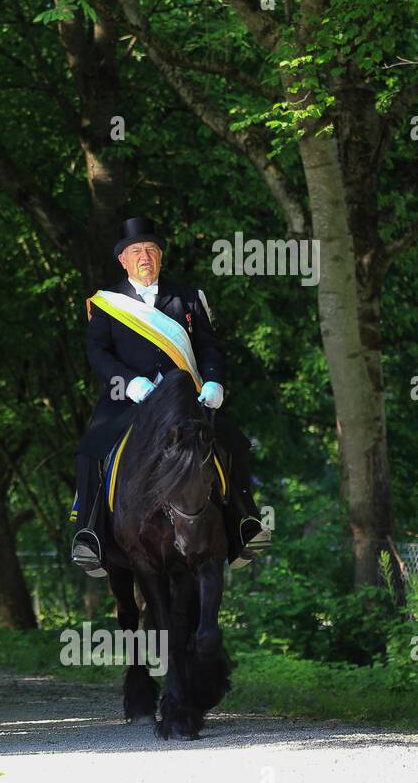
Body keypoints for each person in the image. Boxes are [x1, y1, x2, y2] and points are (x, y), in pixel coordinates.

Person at [70, 217, 271, 576]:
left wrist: (213, 382)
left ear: (160, 257)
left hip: (185, 397)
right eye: (136, 251)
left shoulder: (188, 297)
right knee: (91, 449)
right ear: (123, 260)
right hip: (129, 398)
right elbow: (97, 352)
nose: (144, 256)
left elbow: (209, 347)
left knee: (233, 442)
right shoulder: (107, 304)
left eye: (150, 250)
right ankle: (89, 533)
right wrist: (129, 383)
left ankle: (244, 523)